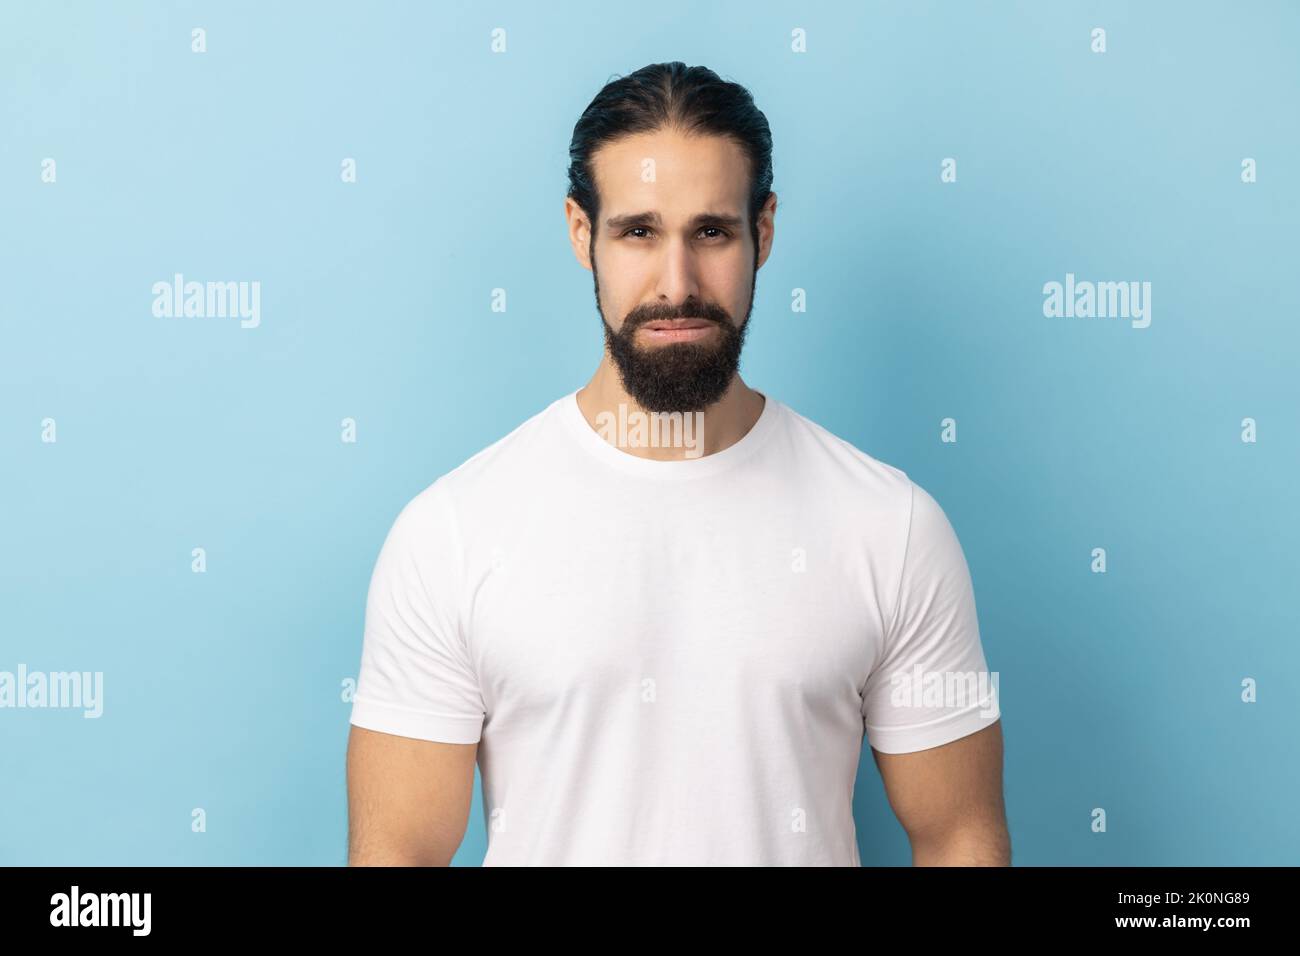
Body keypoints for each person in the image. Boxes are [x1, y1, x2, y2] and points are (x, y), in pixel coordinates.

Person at [346, 61, 1008, 866]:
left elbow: (958, 836)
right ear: (580, 232)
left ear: (763, 231)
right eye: (638, 231)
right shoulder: (450, 535)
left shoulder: (892, 527)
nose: (677, 283)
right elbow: (398, 852)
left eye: (711, 232)